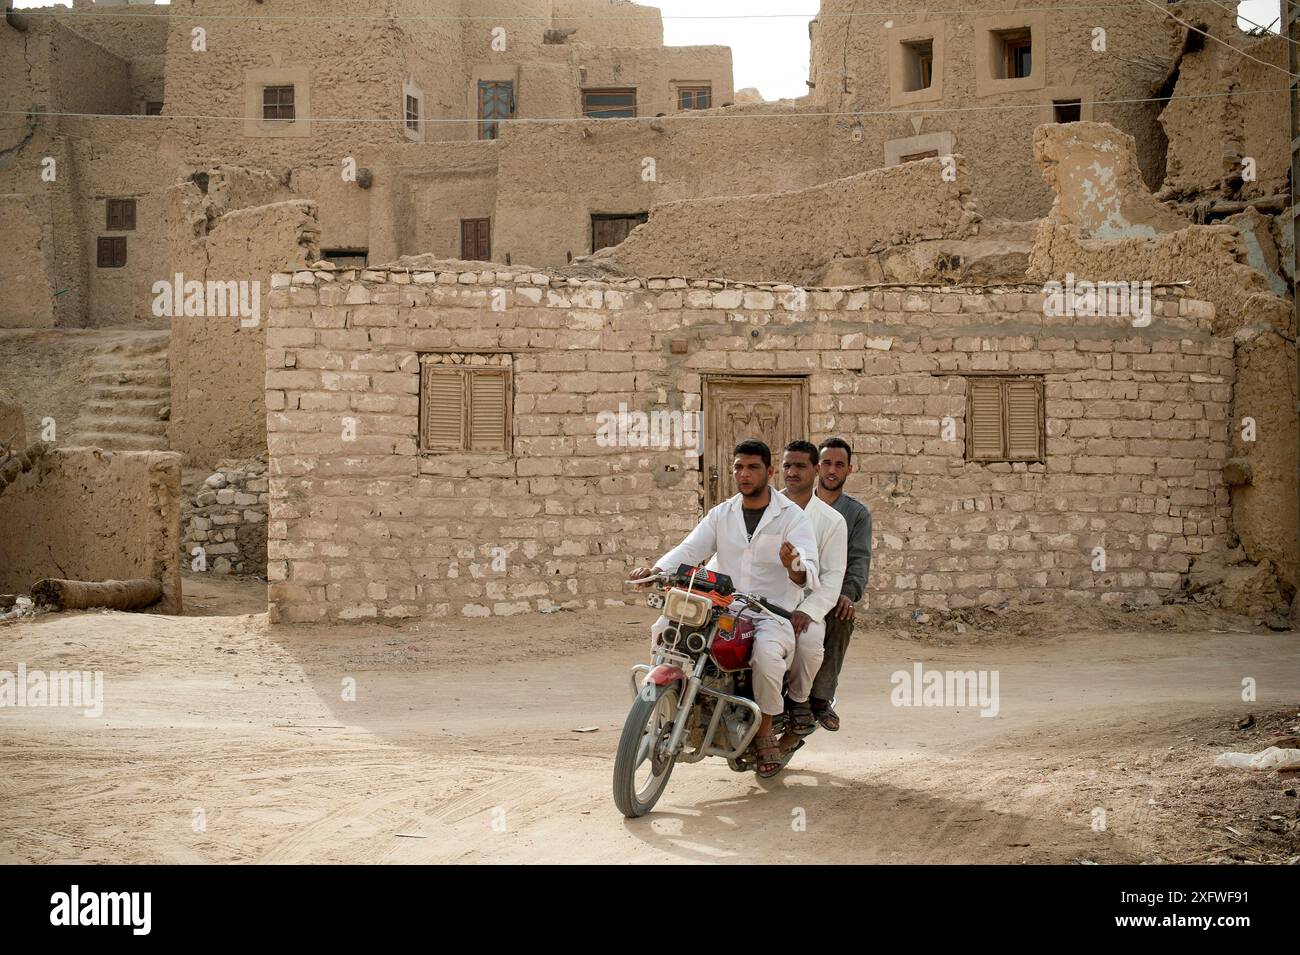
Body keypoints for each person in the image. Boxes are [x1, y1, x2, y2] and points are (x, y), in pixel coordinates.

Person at [630, 439, 820, 779]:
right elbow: (689, 549)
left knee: (765, 655)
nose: (744, 474)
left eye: (752, 467)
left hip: (770, 613)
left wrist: (794, 565)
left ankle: (764, 732)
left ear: (769, 472)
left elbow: (806, 565)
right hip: (725, 605)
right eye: (738, 468)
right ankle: (664, 706)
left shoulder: (792, 517)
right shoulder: (723, 513)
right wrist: (656, 571)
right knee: (665, 629)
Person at [777, 440, 848, 747]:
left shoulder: (833, 521)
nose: (792, 472)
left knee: (808, 644)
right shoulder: (766, 508)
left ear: (815, 470)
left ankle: (799, 701)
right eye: (787, 466)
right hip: (765, 601)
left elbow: (832, 579)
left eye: (800, 466)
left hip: (807, 604)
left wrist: (808, 611)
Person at [808, 437, 873, 732]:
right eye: (827, 463)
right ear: (817, 466)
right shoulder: (794, 501)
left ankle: (821, 698)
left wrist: (848, 593)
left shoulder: (857, 514)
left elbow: (859, 559)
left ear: (849, 469)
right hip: (789, 585)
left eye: (839, 465)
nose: (832, 470)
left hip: (828, 590)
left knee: (841, 615)